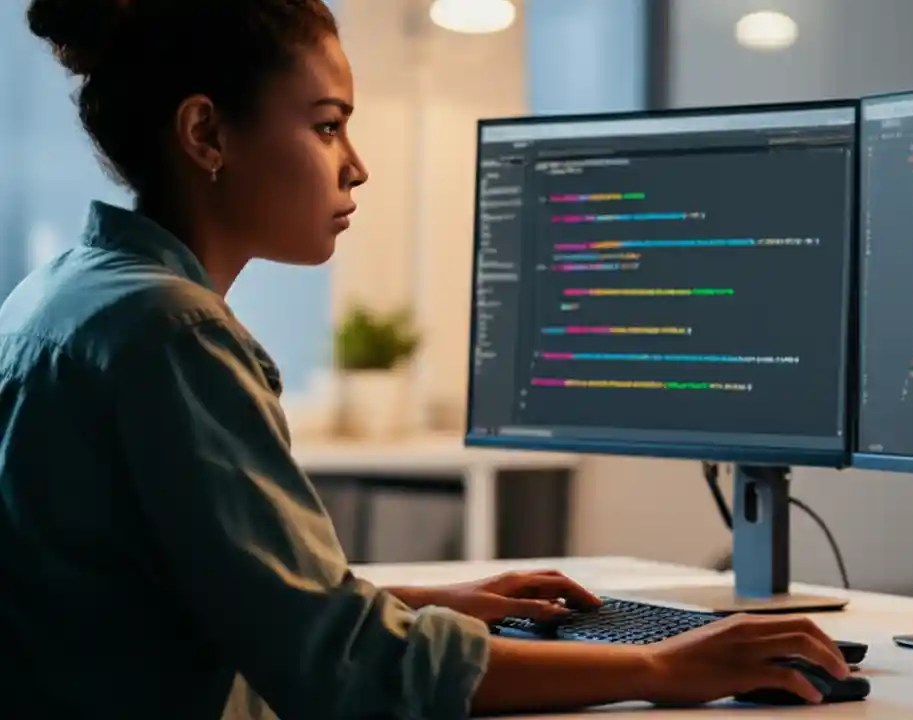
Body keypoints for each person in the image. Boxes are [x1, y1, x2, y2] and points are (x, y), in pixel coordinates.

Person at [0, 1, 850, 718]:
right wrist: (661, 668)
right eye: (326, 125)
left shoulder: (64, 294)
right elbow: (342, 667)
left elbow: (193, 597)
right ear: (205, 132)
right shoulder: (173, 332)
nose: (356, 167)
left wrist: (425, 604)